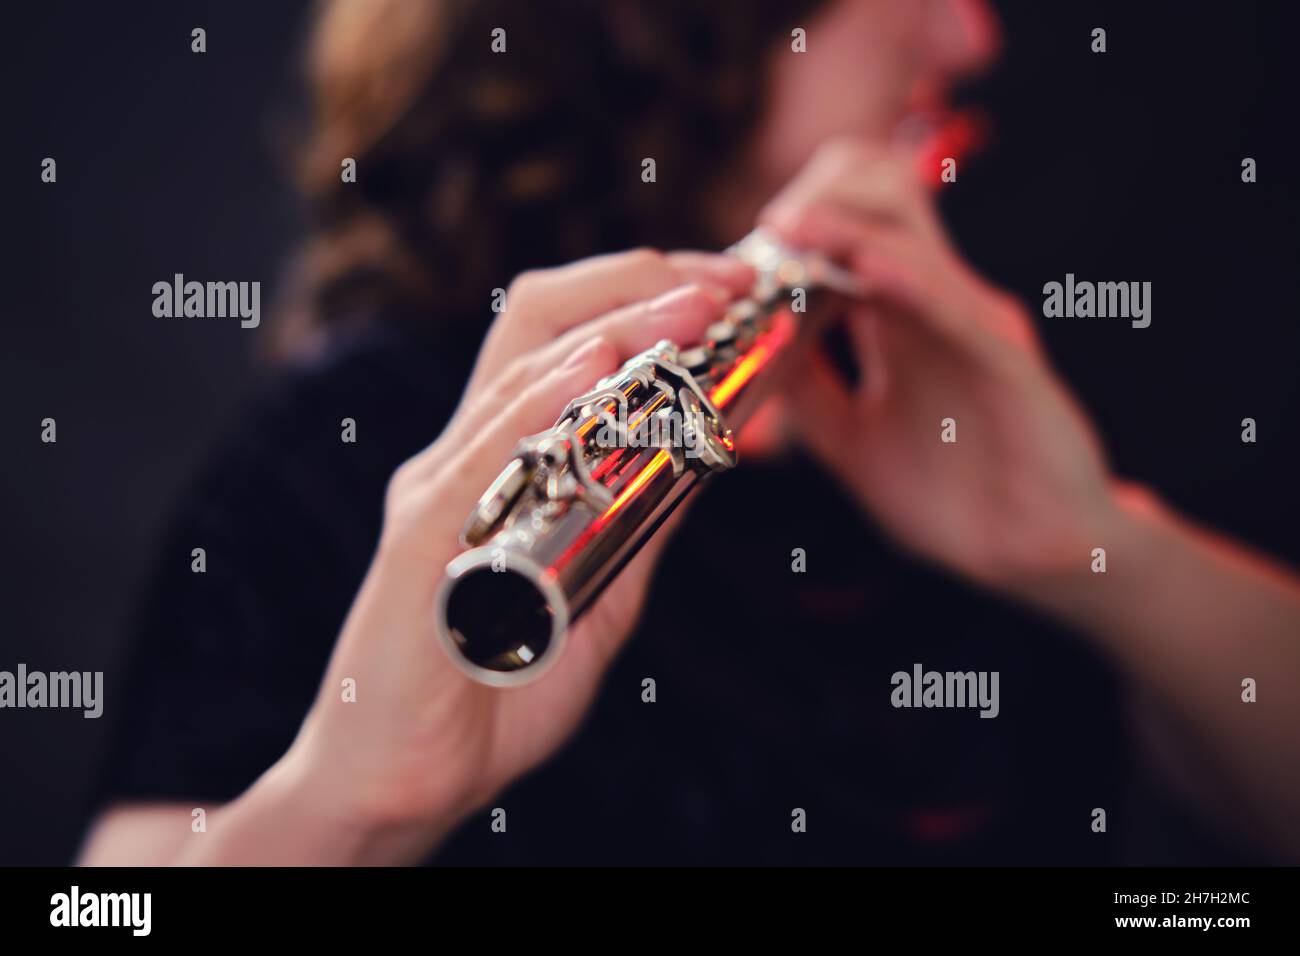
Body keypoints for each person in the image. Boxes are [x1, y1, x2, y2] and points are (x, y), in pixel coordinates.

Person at [79, 0, 1300, 865]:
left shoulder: (954, 385)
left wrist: (1090, 548)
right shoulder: (364, 435)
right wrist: (353, 805)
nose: (970, 36)